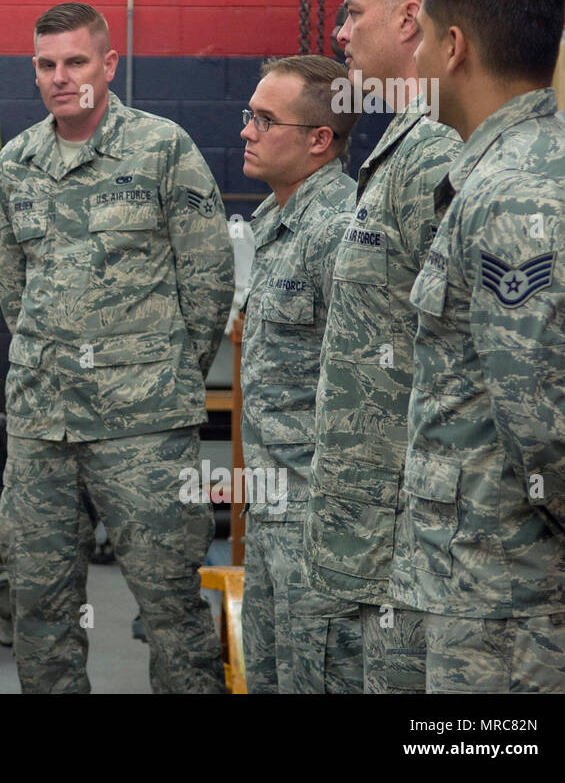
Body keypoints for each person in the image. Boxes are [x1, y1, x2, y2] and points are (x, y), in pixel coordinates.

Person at [0, 1, 233, 693]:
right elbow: (15, 290)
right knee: (40, 610)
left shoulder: (163, 150)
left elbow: (209, 280)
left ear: (109, 64)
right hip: (43, 426)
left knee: (169, 611)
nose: (60, 78)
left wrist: (160, 378)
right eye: (46, 65)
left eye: (76, 62)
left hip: (144, 429)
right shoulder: (17, 164)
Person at [392, 0, 565, 691]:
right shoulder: (532, 167)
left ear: (453, 47)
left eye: (421, 42)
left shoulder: (515, 194)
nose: (411, 68)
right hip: (498, 588)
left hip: (514, 605)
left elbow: (545, 429)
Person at [302, 0, 461, 693]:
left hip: (416, 534)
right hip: (376, 527)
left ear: (408, 21)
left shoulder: (435, 151)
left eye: (352, 13)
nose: (339, 33)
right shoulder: (397, 144)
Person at [237, 54, 361, 692]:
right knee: (270, 677)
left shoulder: (340, 231)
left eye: (265, 120)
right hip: (271, 510)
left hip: (317, 523)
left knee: (315, 679)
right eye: (248, 115)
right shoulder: (279, 222)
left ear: (319, 140)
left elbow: (366, 389)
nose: (246, 132)